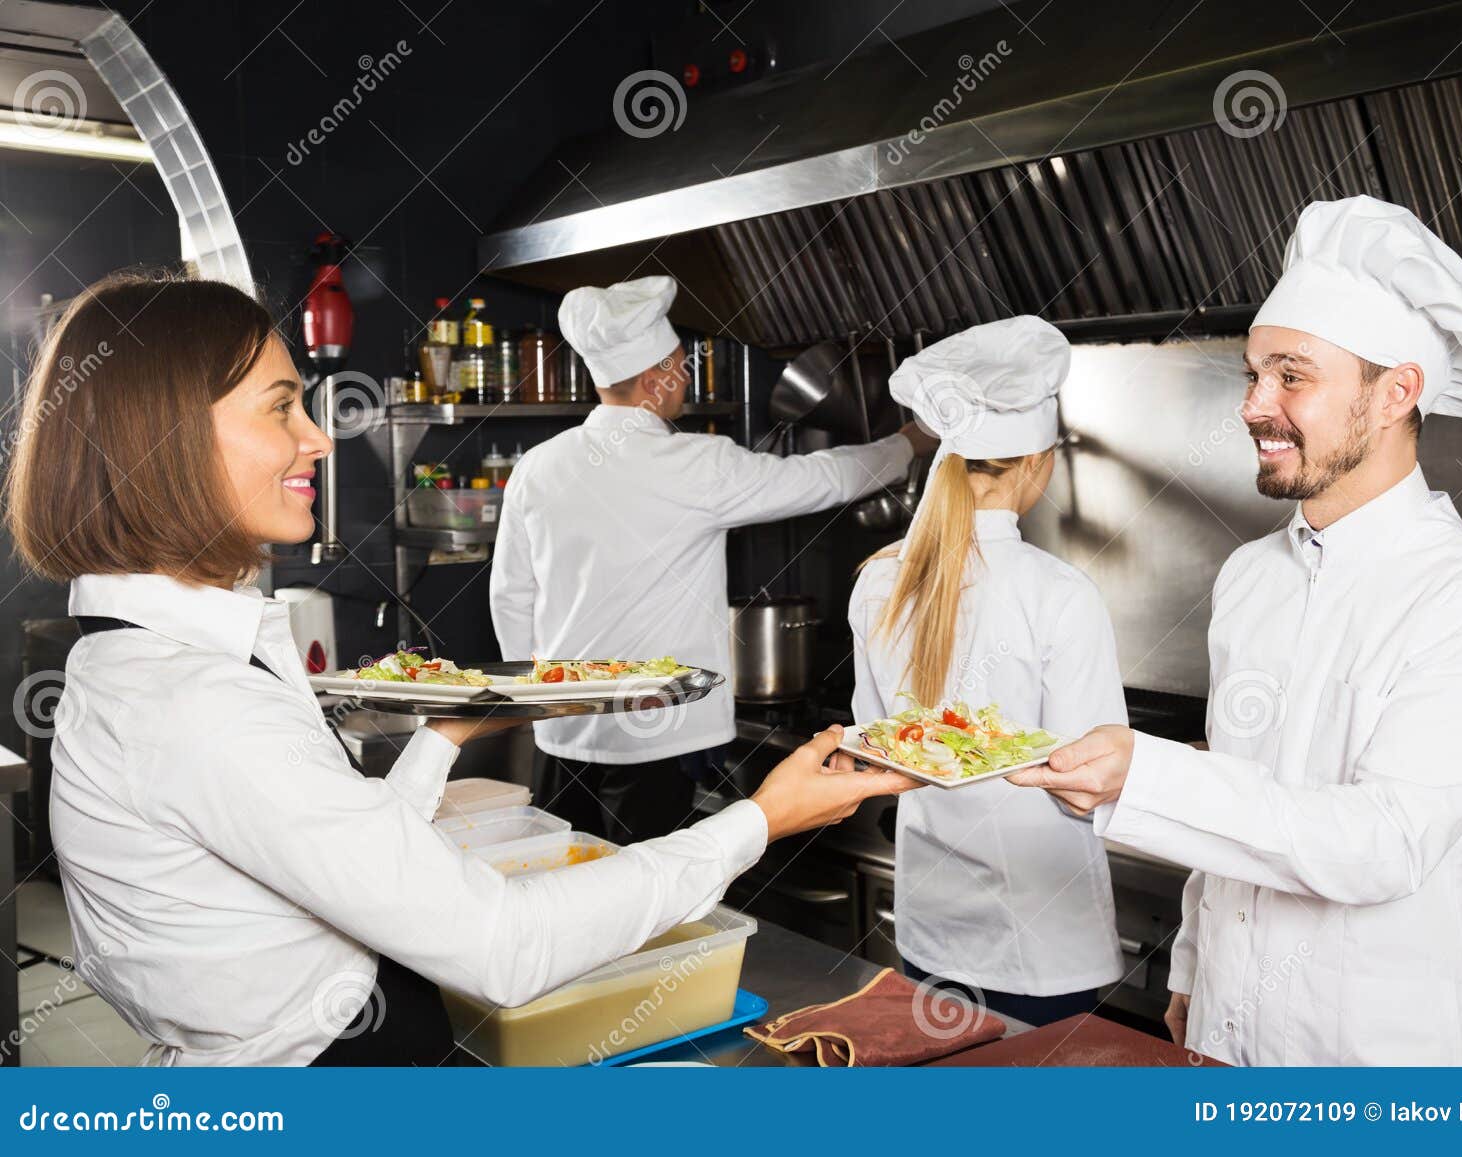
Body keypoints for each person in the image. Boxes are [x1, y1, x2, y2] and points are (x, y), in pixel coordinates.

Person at [9, 272, 917, 1067]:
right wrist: (764, 818)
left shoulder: (141, 662)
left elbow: (351, 854)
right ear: (167, 438)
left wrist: (449, 732)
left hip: (559, 743)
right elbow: (502, 944)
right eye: (282, 405)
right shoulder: (194, 701)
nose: (320, 438)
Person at [1010, 195, 1462, 1065]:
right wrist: (1193, 964)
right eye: (1253, 374)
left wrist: (1143, 775)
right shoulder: (1252, 575)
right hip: (1232, 1035)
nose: (1255, 405)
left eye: (1292, 376)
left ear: (1396, 393)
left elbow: (1382, 843)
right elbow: (1238, 781)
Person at [490, 275, 936, 844]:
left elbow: (510, 595)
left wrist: (538, 700)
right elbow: (822, 478)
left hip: (561, 731)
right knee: (652, 907)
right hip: (659, 738)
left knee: (565, 892)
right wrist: (906, 443)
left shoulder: (539, 465)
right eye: (679, 364)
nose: (686, 377)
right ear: (653, 377)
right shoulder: (696, 465)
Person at [849, 317, 1127, 1027]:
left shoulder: (878, 582)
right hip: (1042, 946)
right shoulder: (1062, 595)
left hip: (933, 929)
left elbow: (881, 746)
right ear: (1040, 462)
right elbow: (1085, 791)